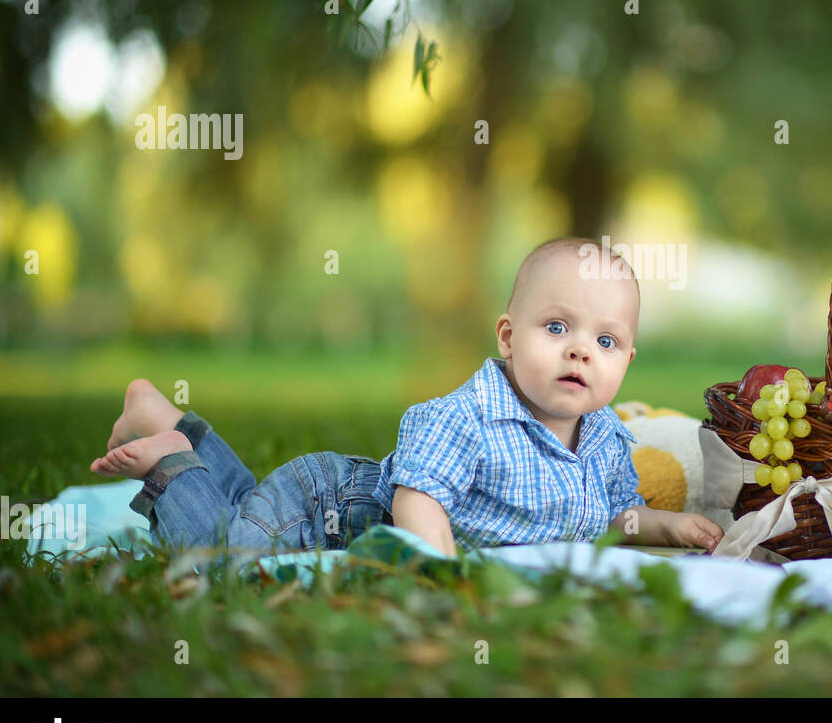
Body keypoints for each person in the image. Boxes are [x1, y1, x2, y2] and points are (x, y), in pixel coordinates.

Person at [90, 237, 724, 560]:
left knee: (241, 510)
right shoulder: (469, 416)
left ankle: (161, 415)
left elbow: (610, 518)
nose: (580, 350)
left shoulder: (608, 440)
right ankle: (170, 461)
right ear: (508, 336)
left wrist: (664, 525)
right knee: (224, 562)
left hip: (316, 507)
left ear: (627, 362)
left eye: (606, 340)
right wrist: (439, 575)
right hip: (324, 509)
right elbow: (420, 507)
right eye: (556, 328)